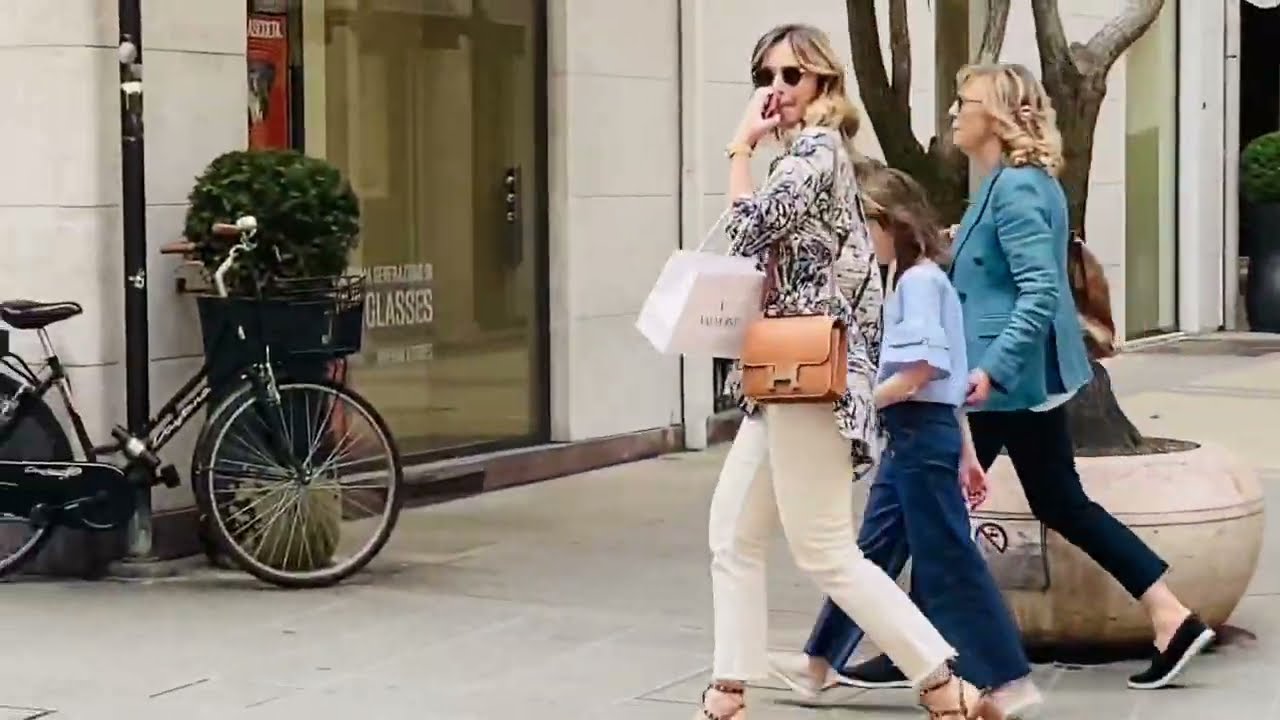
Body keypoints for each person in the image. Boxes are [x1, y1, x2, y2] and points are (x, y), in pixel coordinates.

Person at [836, 62, 1215, 693]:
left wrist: (991, 368)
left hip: (997, 380)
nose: (953, 112)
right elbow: (1000, 274)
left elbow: (1039, 292)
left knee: (924, 496)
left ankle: (919, 649)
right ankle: (1170, 616)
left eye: (964, 102)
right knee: (1055, 500)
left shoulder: (1016, 190)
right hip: (1016, 379)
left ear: (997, 117)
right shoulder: (1006, 184)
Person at [697, 23, 1004, 720]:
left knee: (826, 550)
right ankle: (728, 690)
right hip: (782, 376)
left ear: (824, 84)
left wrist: (739, 147)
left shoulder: (815, 152)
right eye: (765, 77)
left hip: (807, 379)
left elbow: (746, 229)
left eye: (792, 76)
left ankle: (943, 682)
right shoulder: (805, 156)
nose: (776, 89)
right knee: (733, 533)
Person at [770, 167, 1043, 718]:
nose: (857, 236)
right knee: (869, 553)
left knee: (946, 559)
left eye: (864, 223)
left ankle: (1007, 678)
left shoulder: (917, 282)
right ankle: (820, 662)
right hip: (918, 435)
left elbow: (921, 370)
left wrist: (858, 402)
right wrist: (966, 452)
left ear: (892, 223)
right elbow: (947, 373)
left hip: (917, 433)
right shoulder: (915, 279)